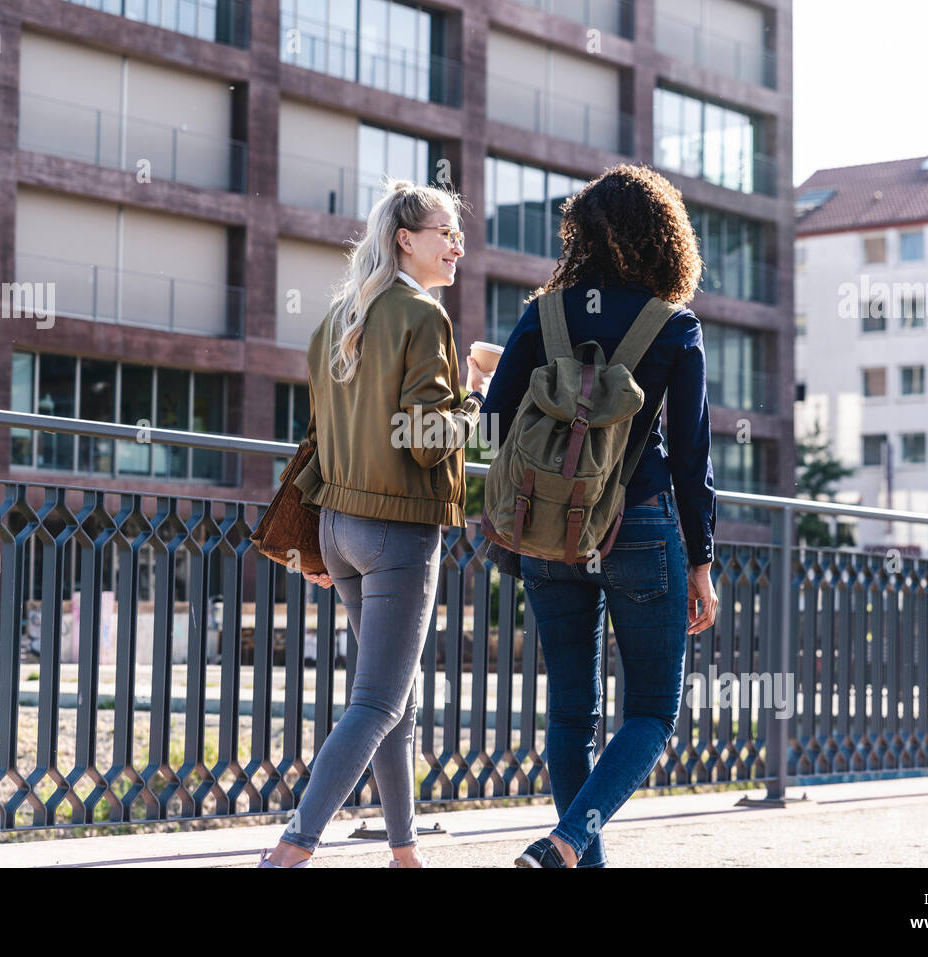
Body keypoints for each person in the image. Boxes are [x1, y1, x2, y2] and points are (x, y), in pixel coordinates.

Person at [480, 163, 719, 868]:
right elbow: (691, 457)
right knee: (650, 711)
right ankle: (567, 839)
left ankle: (573, 846)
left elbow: (492, 429)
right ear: (666, 240)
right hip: (640, 527)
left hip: (545, 532)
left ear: (579, 232)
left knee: (570, 714)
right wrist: (703, 561)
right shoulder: (674, 325)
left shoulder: (544, 313)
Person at [258, 180, 487, 868]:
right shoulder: (423, 316)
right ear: (403, 240)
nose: (456, 245)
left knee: (395, 697)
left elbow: (321, 435)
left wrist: (317, 546)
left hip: (338, 526)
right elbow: (426, 438)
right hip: (398, 528)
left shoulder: (338, 318)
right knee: (379, 699)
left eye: (458, 235)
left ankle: (404, 851)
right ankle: (291, 850)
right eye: (444, 232)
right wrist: (479, 401)